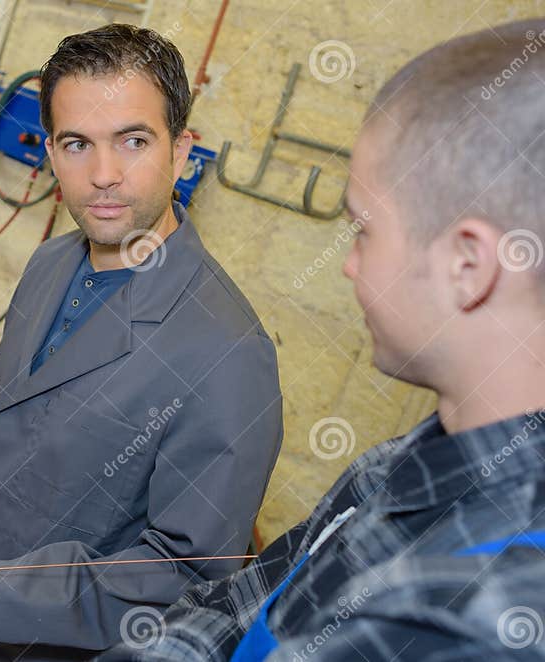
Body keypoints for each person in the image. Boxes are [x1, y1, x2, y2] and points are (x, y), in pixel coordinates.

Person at [0, 24, 284, 661]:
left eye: (132, 140)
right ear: (49, 151)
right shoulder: (54, 261)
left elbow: (187, 579)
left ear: (181, 151)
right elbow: (5, 384)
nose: (102, 175)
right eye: (77, 144)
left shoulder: (229, 355)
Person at [98, 17, 545, 662]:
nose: (349, 264)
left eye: (364, 230)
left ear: (468, 265)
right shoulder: (396, 468)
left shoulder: (471, 622)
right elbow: (240, 605)